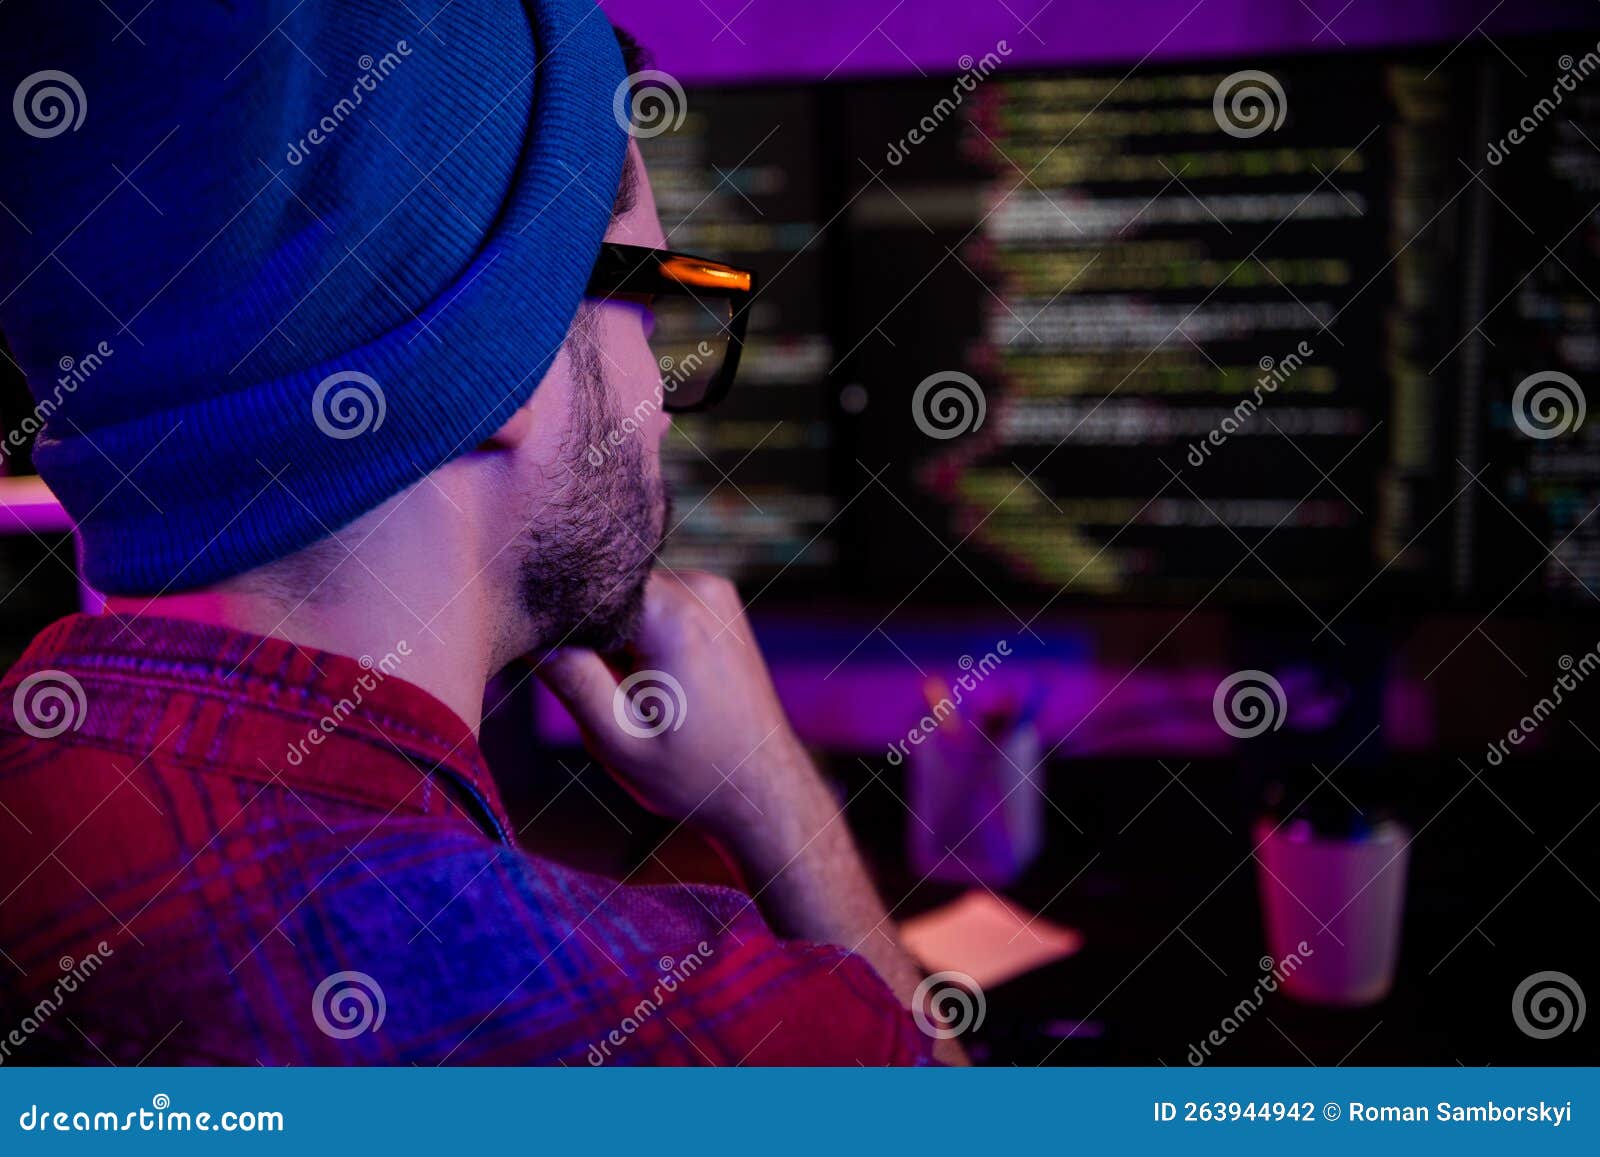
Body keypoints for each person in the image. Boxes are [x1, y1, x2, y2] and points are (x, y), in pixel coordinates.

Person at [0, 0, 962, 1065]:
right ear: (494, 363)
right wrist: (778, 798)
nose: (657, 386)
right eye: (654, 299)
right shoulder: (639, 1022)